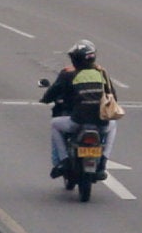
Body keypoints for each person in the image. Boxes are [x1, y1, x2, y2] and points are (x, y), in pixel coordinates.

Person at [45, 43, 118, 180]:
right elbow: (112, 97)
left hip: (77, 121)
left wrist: (45, 99)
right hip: (101, 123)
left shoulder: (69, 74)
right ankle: (103, 161)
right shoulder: (101, 73)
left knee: (55, 124)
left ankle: (64, 160)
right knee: (113, 125)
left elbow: (57, 93)